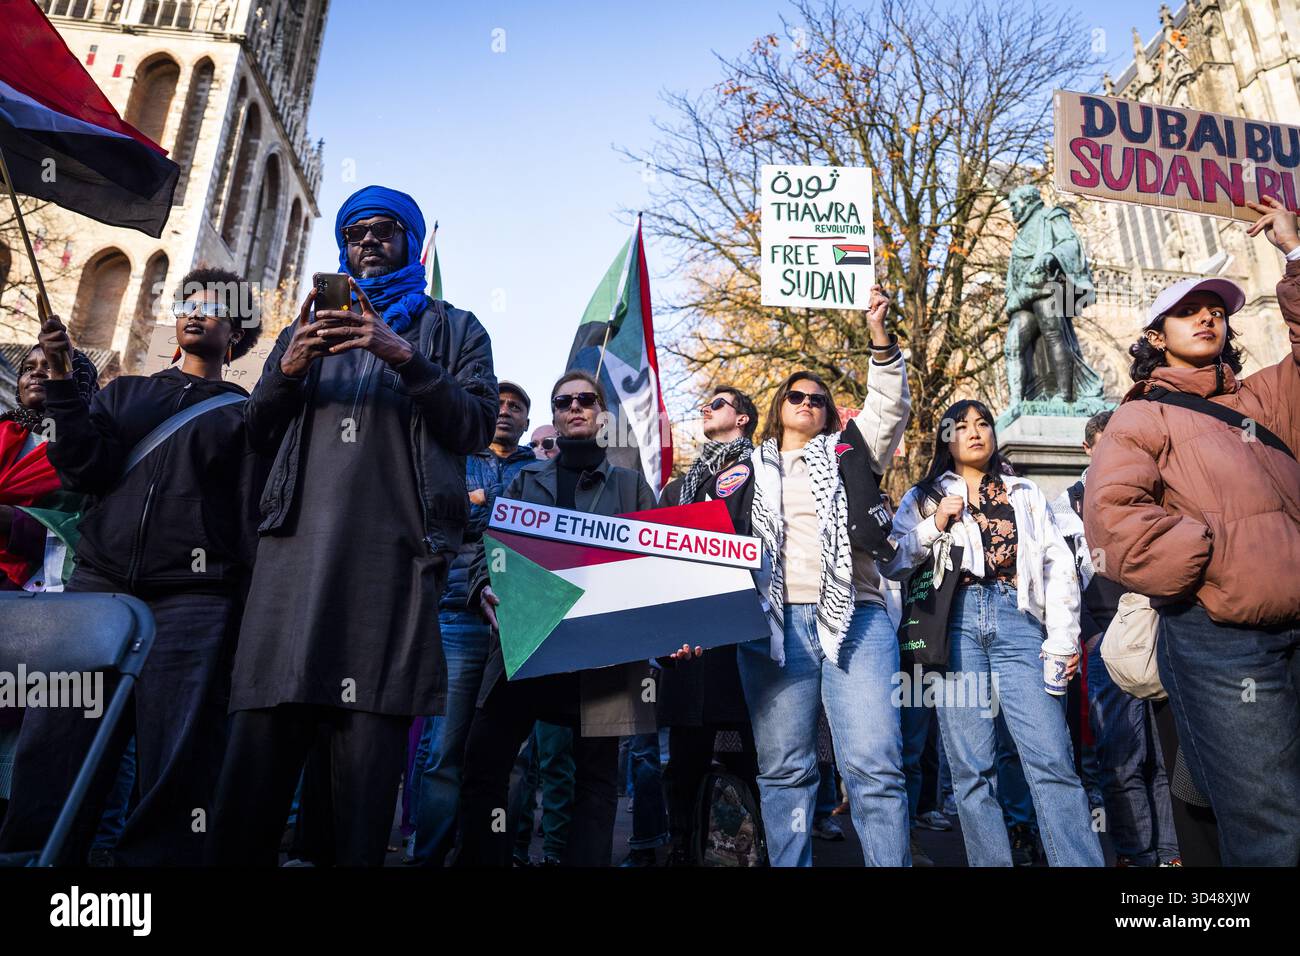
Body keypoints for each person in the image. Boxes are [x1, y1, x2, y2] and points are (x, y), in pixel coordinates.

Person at [206, 185, 497, 867]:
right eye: (356, 231)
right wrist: (287, 369)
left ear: (410, 242)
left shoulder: (454, 329)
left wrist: (404, 355)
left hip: (392, 570)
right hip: (291, 569)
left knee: (362, 777)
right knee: (256, 763)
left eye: (385, 230)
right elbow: (254, 434)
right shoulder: (302, 331)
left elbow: (476, 425)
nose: (368, 240)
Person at [0, 268, 262, 866]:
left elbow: (248, 519)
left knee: (177, 758)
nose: (197, 312)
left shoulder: (246, 416)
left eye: (217, 308)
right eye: (188, 303)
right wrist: (65, 383)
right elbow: (83, 469)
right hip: (98, 589)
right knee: (55, 744)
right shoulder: (124, 393)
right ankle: (33, 860)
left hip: (195, 600)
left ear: (237, 331)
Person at [1083, 195, 1300, 867]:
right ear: (1154, 336)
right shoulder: (1143, 417)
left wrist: (1292, 252)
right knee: (1271, 826)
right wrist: (1210, 564)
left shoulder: (1261, 398)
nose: (1206, 316)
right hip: (1222, 640)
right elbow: (1113, 519)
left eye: (1215, 309)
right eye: (1186, 311)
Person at [883, 399, 1103, 867]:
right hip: (955, 626)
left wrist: (1062, 638)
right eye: (962, 426)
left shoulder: (1023, 490)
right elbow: (895, 560)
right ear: (948, 438)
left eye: (983, 423)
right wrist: (935, 522)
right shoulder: (923, 495)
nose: (976, 432)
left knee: (1051, 759)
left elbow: (1058, 564)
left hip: (1017, 619)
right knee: (971, 770)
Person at [736, 286, 912, 867]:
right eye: (796, 394)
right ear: (778, 405)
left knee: (873, 766)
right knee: (785, 770)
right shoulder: (742, 472)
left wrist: (879, 333)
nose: (808, 401)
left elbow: (889, 404)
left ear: (832, 412)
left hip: (855, 620)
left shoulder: (853, 452)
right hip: (772, 628)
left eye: (818, 397)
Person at [457, 369, 658, 867]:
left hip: (605, 651)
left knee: (596, 778)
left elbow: (659, 568)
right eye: (563, 401)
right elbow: (494, 550)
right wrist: (482, 585)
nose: (575, 407)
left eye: (586, 400)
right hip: (528, 640)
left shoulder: (633, 487)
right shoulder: (527, 479)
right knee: (485, 760)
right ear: (553, 415)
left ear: (602, 413)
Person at [410, 380, 535, 865]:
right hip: (460, 615)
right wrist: (473, 504)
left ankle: (503, 853)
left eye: (516, 406)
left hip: (518, 621)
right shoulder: (456, 458)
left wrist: (485, 508)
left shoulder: (539, 470)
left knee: (516, 757)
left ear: (527, 420)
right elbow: (430, 520)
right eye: (499, 404)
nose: (505, 411)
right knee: (445, 750)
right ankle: (430, 856)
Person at [1052, 411, 1180, 868]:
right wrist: (1082, 638)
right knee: (1121, 752)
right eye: (1106, 445)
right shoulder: (1067, 503)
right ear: (1088, 449)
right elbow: (1062, 577)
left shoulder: (1153, 490)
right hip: (1104, 633)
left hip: (1160, 626)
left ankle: (1170, 852)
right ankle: (1134, 852)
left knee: (1166, 753)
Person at [656, 385, 763, 865]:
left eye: (717, 403)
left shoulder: (764, 473)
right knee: (684, 759)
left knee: (746, 756)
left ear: (742, 419)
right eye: (705, 404)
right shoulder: (677, 489)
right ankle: (682, 842)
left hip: (739, 641)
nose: (706, 408)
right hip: (684, 649)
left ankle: (752, 847)